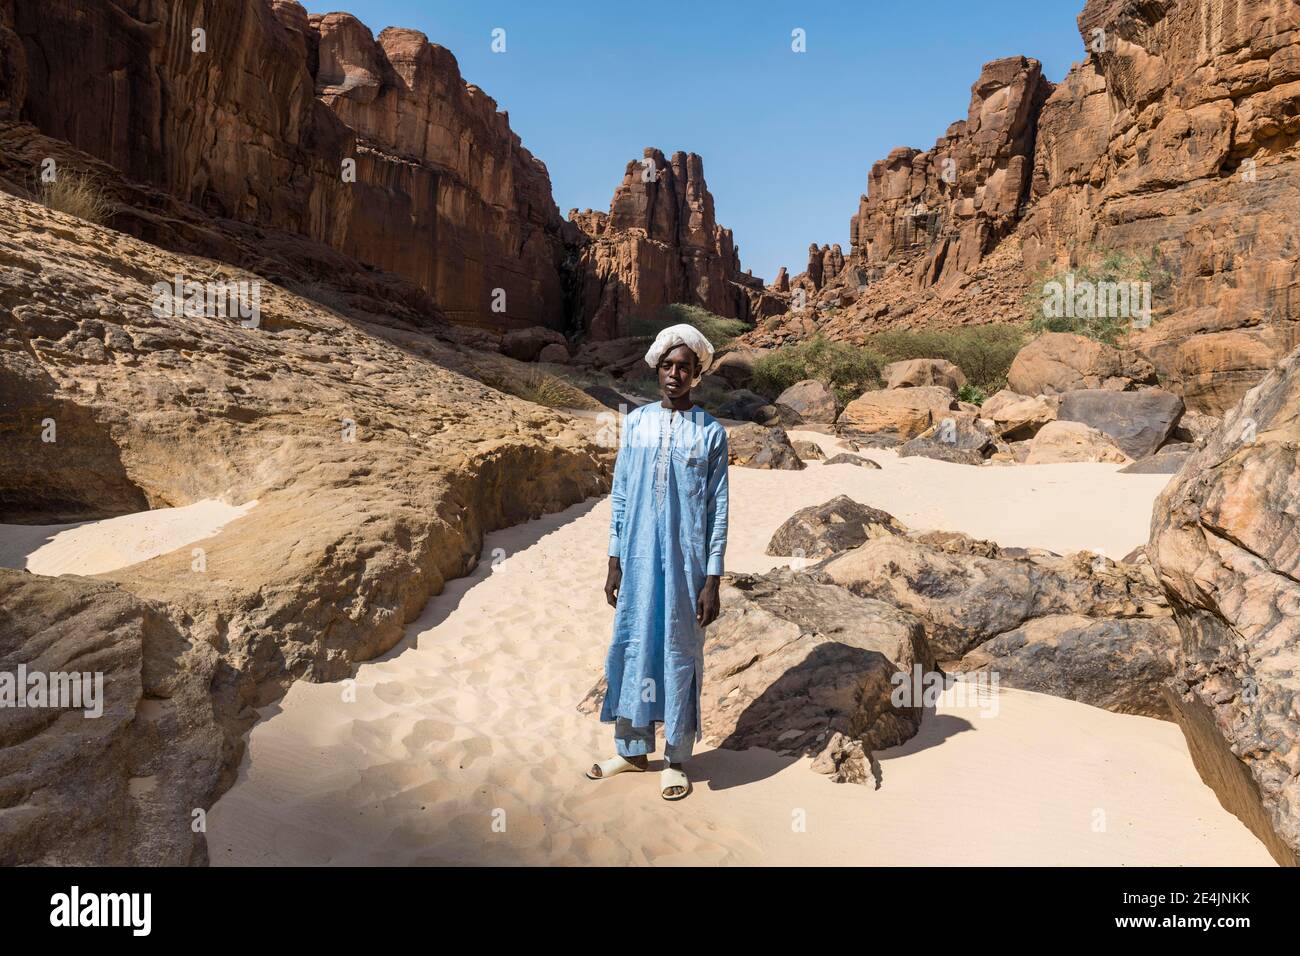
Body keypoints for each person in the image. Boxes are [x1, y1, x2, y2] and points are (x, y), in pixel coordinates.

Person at [585, 324, 729, 800]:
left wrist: (713, 578)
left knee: (679, 651)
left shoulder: (711, 433)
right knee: (633, 645)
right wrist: (614, 559)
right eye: (668, 366)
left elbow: (717, 508)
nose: (674, 374)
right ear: (657, 368)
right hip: (638, 561)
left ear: (696, 374)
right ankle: (630, 750)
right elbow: (621, 494)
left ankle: (677, 758)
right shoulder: (638, 423)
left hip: (687, 566)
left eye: (684, 367)